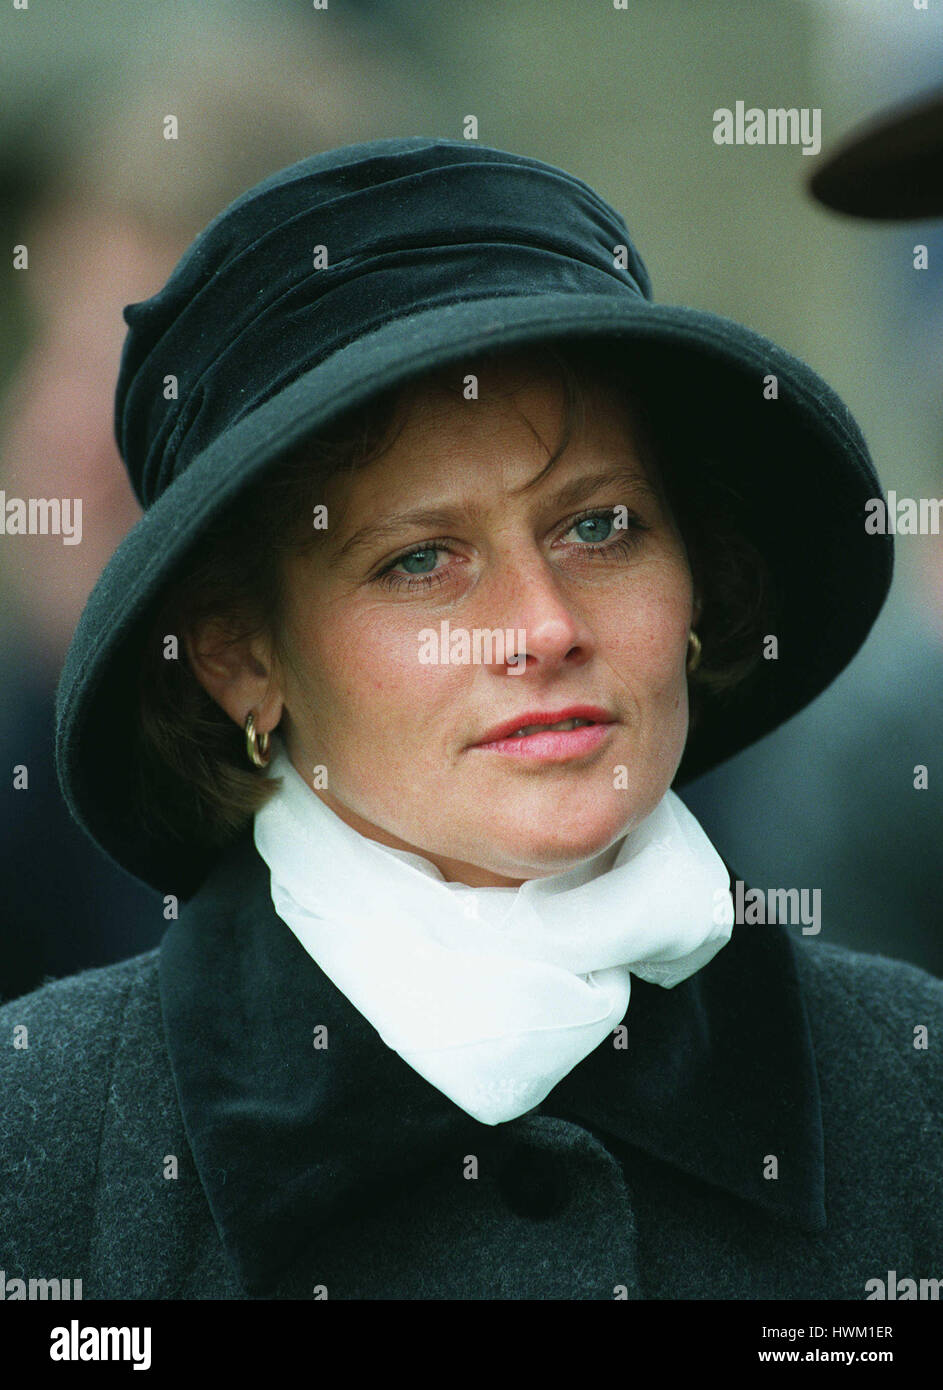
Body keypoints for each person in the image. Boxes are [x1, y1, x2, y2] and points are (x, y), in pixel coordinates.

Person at [1, 137, 940, 1301]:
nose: (542, 626)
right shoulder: (41, 1150)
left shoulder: (911, 1090)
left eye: (599, 527)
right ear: (244, 658)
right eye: (421, 560)